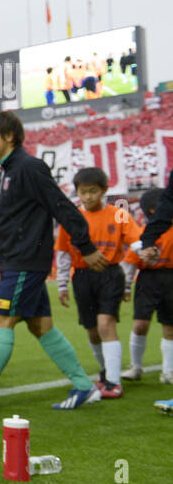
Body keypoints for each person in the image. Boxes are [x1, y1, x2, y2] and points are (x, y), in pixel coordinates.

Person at [0, 111, 106, 411]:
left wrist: (86, 246)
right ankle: (85, 386)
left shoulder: (30, 168)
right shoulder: (1, 175)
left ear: (9, 136)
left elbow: (62, 207)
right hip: (16, 263)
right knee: (40, 326)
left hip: (25, 262)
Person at [54, 167, 140, 398]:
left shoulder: (119, 213)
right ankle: (105, 372)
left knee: (105, 325)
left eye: (93, 191)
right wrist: (62, 284)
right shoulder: (71, 217)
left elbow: (135, 239)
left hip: (111, 274)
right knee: (92, 331)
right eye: (83, 192)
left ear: (104, 191)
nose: (88, 197)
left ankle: (114, 382)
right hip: (82, 277)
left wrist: (145, 249)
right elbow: (62, 252)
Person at [122, 188, 173, 382]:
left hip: (171, 278)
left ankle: (168, 371)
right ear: (154, 210)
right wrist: (126, 286)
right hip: (148, 279)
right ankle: (136, 367)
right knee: (141, 324)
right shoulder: (144, 234)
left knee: (170, 325)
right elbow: (131, 262)